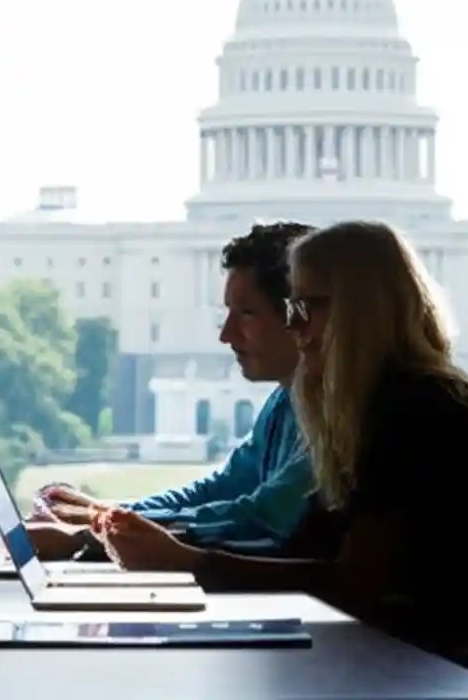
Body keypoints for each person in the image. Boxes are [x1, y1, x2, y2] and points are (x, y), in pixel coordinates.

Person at [97, 220, 468, 656]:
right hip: (420, 656)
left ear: (360, 311)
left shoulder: (419, 409)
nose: (292, 324)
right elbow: (305, 548)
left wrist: (189, 562)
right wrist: (162, 548)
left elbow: (356, 585)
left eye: (303, 307)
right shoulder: (373, 404)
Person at [27, 222, 317, 559]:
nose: (226, 335)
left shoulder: (337, 414)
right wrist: (111, 512)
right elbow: (220, 490)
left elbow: (256, 517)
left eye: (247, 314)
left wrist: (95, 527)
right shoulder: (284, 401)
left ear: (297, 316)